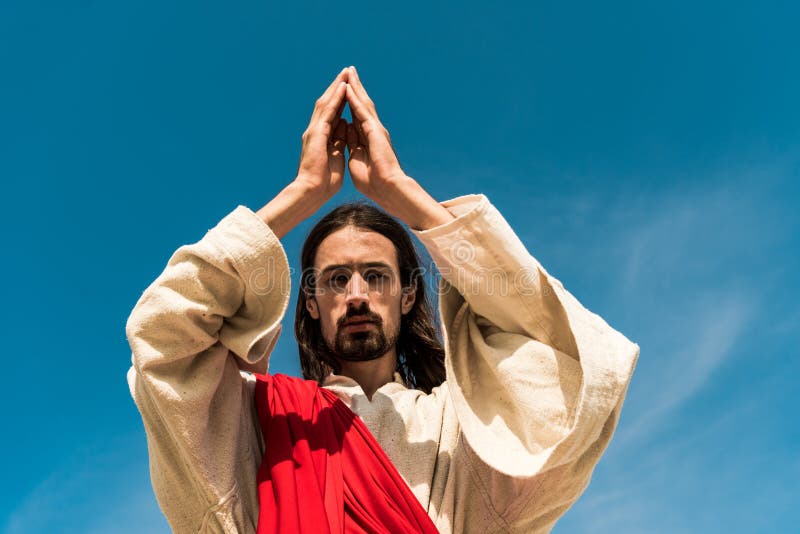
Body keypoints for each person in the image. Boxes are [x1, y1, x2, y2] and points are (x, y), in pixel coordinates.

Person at [126, 66, 639, 533]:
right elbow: (161, 337)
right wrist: (302, 193)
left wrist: (401, 191)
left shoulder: (469, 432)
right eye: (335, 280)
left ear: (409, 294)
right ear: (309, 302)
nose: (355, 296)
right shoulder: (253, 424)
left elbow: (569, 361)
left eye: (375, 276)